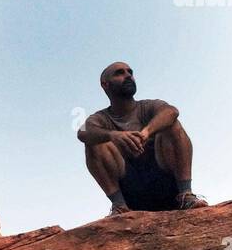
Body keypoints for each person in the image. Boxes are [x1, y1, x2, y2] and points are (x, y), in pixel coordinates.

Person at [78, 62, 208, 215]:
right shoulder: (100, 118)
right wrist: (113, 135)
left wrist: (146, 132)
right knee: (93, 142)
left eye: (130, 72)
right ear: (105, 84)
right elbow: (83, 133)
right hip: (133, 194)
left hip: (167, 185)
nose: (128, 76)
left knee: (172, 124)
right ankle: (119, 206)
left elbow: (171, 111)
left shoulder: (149, 106)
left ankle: (186, 196)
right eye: (119, 73)